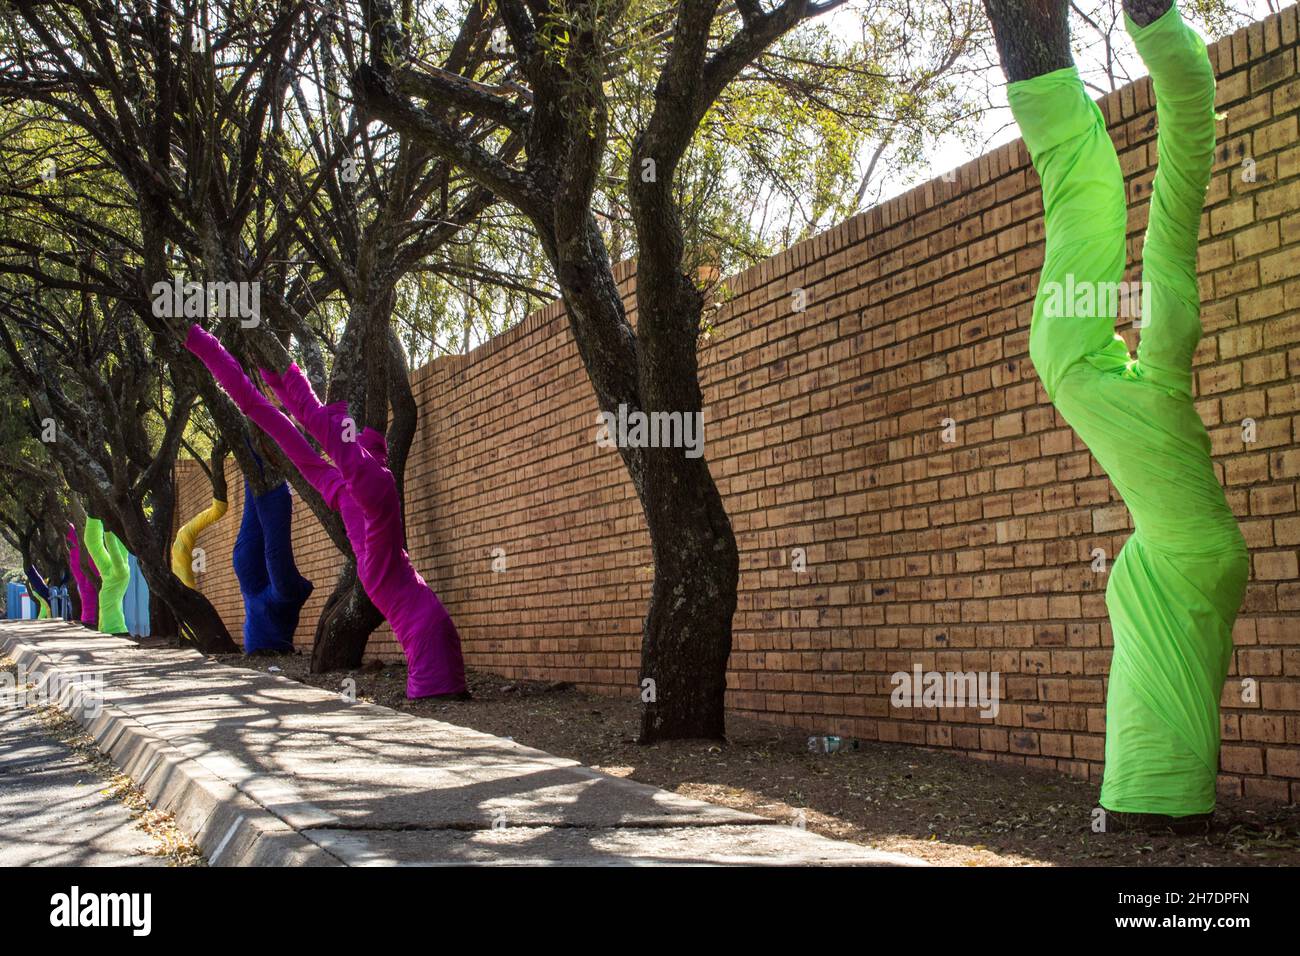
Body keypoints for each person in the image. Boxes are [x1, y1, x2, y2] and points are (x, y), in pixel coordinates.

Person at [990, 0, 1249, 829]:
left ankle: (1155, 802)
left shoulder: (1158, 353)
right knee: (1087, 172)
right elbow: (1190, 125)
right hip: (1184, 544)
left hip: (1192, 549)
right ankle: (1165, 805)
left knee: (1090, 173)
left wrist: (1156, 25)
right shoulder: (1151, 362)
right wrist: (1153, 24)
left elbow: (1190, 126)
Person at [185, 324, 467, 698]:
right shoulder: (362, 486)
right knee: (439, 698)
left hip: (422, 630)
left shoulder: (345, 487)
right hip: (426, 628)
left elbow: (271, 412)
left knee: (288, 415)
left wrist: (214, 348)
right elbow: (286, 417)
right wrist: (275, 373)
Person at [82, 516, 130, 634]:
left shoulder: (121, 572)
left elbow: (112, 547)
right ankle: (94, 514)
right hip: (107, 631)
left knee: (113, 546)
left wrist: (107, 527)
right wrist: (93, 515)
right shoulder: (110, 572)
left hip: (117, 632)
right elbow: (93, 543)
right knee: (92, 543)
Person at [66, 522, 99, 628]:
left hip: (79, 560)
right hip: (83, 561)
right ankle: (89, 618)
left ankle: (88, 618)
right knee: (87, 589)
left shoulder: (80, 543)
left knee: (87, 589)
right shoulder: (87, 543)